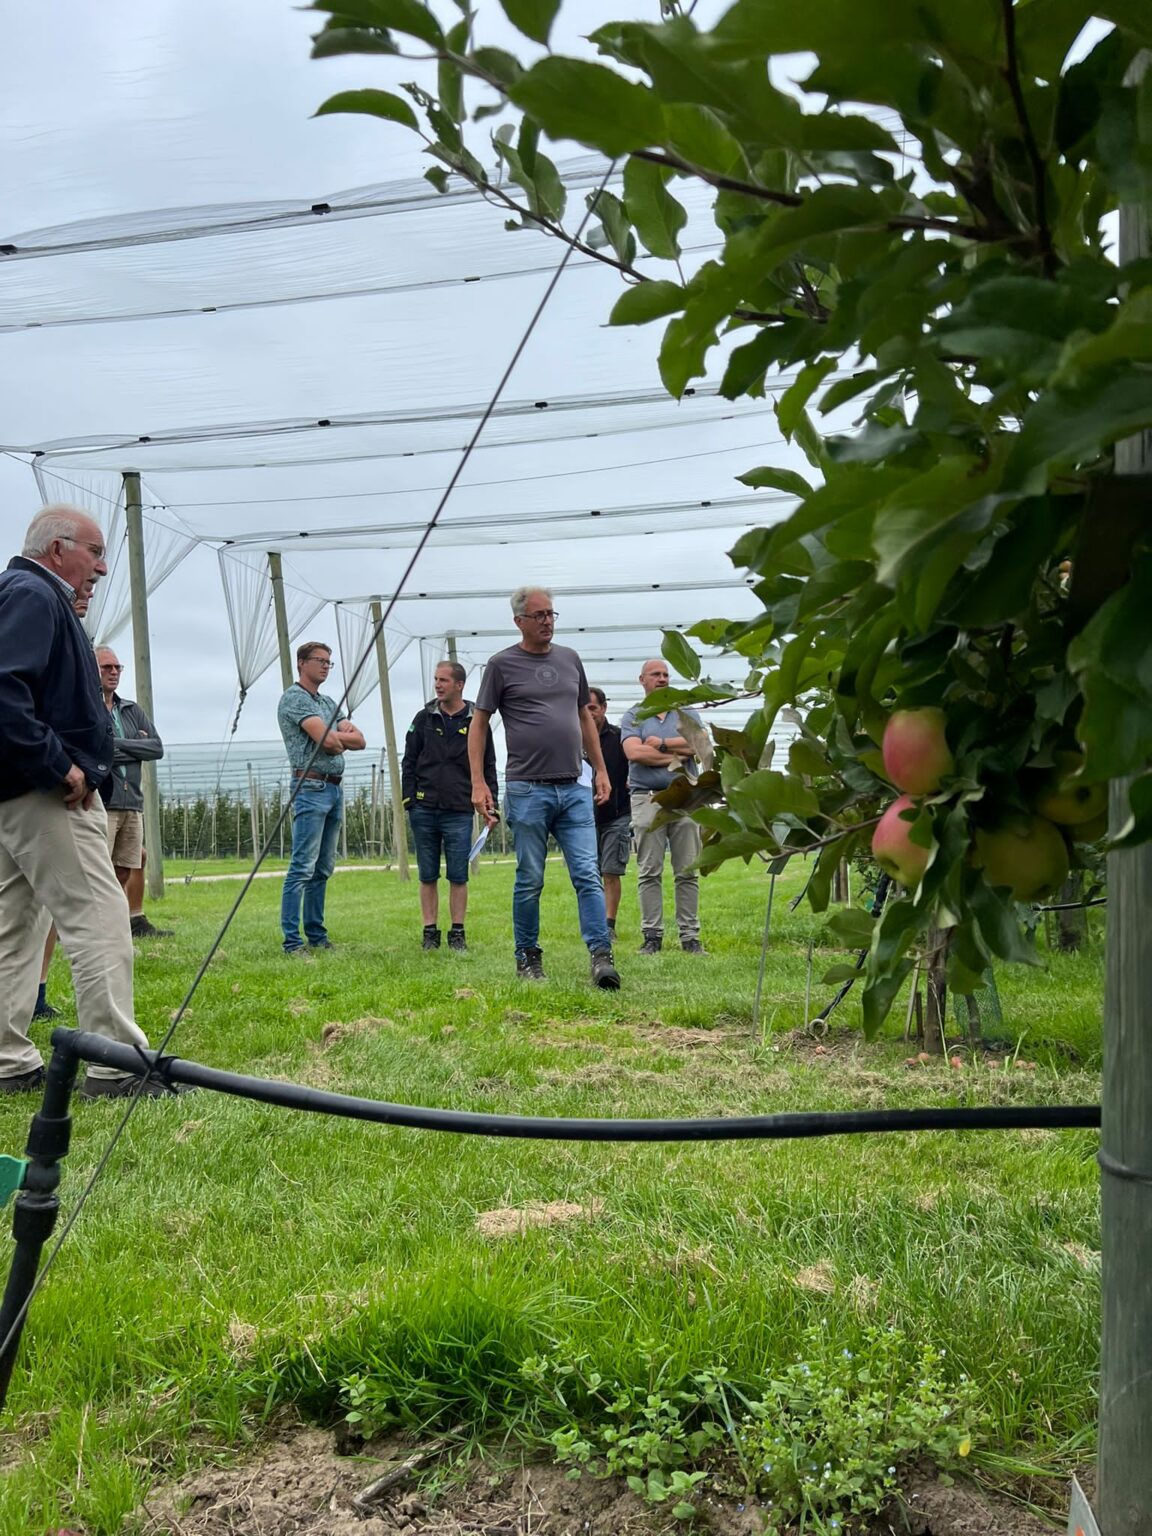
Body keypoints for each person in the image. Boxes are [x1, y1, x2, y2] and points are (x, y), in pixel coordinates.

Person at [0, 505, 173, 1097]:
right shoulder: (34, 594)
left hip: (14, 794)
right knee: (99, 917)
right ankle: (116, 1064)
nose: (101, 569)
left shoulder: (22, 591)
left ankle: (7, 1062)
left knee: (15, 928)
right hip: (46, 796)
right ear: (57, 549)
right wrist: (61, 766)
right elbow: (5, 691)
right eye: (95, 553)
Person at [470, 587, 620, 988]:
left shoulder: (570, 660)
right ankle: (527, 956)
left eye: (552, 614)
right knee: (530, 877)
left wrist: (600, 769)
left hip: (573, 788)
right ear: (519, 621)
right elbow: (479, 723)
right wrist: (479, 781)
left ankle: (601, 956)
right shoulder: (501, 665)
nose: (548, 622)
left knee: (588, 873)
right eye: (538, 616)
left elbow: (584, 718)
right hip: (527, 789)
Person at [402, 660, 498, 953]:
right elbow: (409, 761)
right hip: (424, 808)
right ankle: (430, 932)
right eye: (436, 679)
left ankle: (458, 933)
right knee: (427, 873)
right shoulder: (423, 718)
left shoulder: (476, 722)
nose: (438, 685)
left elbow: (488, 764)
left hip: (458, 808)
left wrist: (490, 802)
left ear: (459, 685)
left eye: (444, 680)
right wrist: (410, 800)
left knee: (458, 874)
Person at [277, 640, 365, 953]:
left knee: (323, 867)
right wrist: (339, 739)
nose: (326, 665)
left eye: (329, 661)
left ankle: (316, 934)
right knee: (302, 866)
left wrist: (336, 739)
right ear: (301, 663)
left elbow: (360, 740)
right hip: (310, 787)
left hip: (333, 787)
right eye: (320, 660)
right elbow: (328, 741)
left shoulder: (328, 703)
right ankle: (292, 940)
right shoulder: (294, 699)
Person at [620, 658, 705, 954]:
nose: (662, 678)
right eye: (655, 674)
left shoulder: (687, 712)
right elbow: (633, 752)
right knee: (649, 870)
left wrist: (662, 744)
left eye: (666, 674)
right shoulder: (633, 716)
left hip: (684, 797)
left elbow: (699, 746)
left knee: (687, 870)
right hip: (647, 798)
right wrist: (677, 756)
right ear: (642, 680)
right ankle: (652, 937)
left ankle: (690, 937)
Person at [96, 646, 173, 940]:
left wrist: (120, 745)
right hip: (104, 801)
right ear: (93, 670)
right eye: (107, 667)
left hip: (132, 801)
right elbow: (96, 749)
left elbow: (156, 747)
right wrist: (134, 745)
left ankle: (121, 924)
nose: (114, 672)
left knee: (126, 867)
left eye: (118, 667)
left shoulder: (130, 709)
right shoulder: (87, 706)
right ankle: (96, 926)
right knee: (98, 868)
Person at [586, 687, 630, 943]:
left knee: (611, 871)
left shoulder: (618, 738)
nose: (589, 714)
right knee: (589, 873)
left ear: (603, 708)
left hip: (616, 814)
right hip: (583, 818)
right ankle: (593, 921)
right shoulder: (573, 739)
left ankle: (609, 924)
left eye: (593, 708)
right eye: (585, 709)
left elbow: (632, 769)